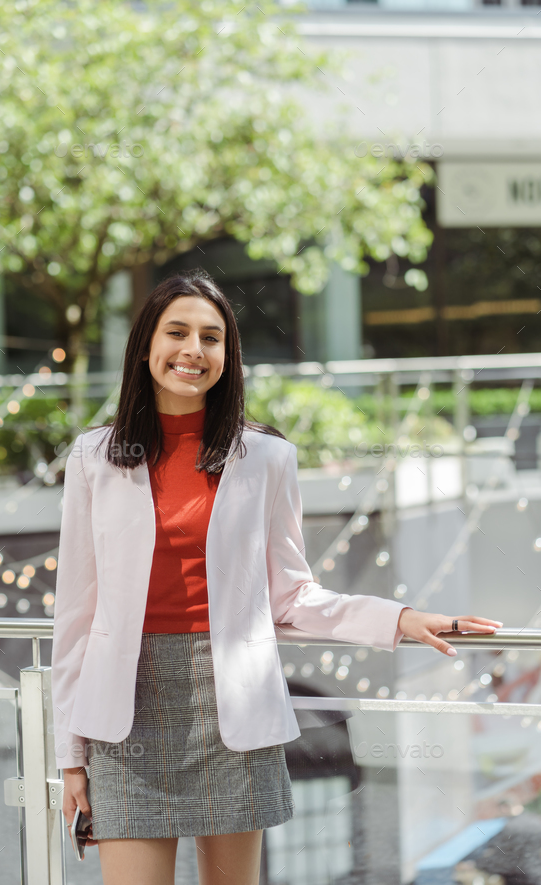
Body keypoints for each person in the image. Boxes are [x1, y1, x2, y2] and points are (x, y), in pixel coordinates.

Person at [51, 268, 502, 885]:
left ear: (228, 355)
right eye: (177, 332)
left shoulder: (265, 457)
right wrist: (70, 757)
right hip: (123, 713)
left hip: (233, 710)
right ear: (145, 344)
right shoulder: (94, 457)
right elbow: (75, 616)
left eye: (211, 338)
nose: (193, 350)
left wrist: (397, 618)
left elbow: (292, 594)